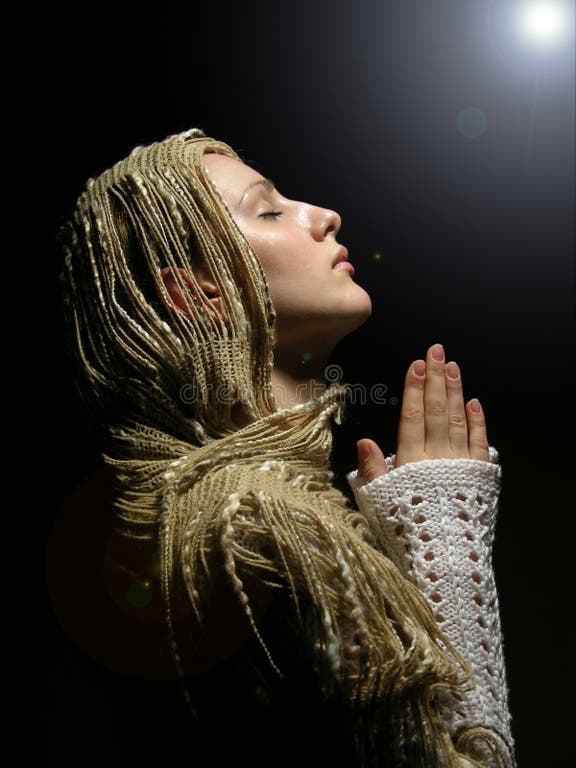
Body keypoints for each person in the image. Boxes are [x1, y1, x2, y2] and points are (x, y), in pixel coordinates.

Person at [59, 128, 515, 766]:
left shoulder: (234, 510)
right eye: (268, 210)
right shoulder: (254, 524)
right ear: (197, 293)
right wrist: (447, 544)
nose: (325, 216)